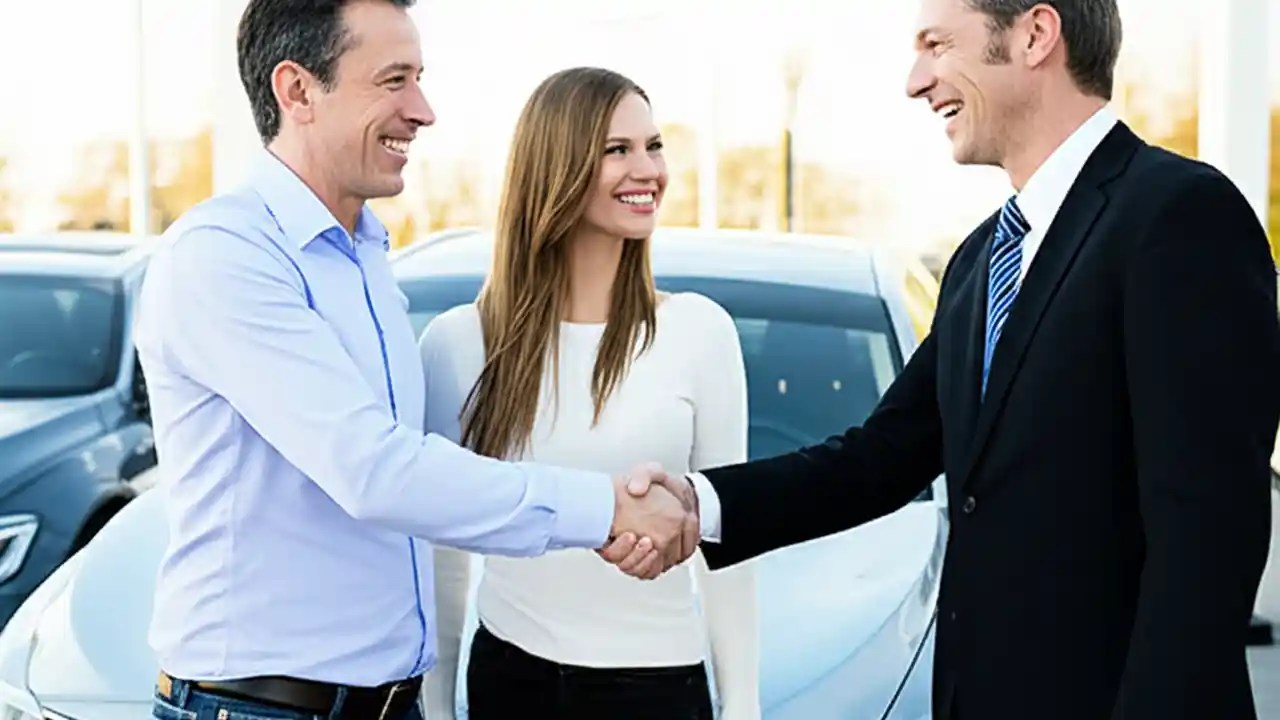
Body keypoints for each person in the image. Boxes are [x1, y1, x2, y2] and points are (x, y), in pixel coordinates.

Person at [607, 0, 1280, 718]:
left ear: (1034, 35)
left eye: (936, 45)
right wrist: (701, 503)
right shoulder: (982, 258)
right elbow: (882, 454)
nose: (915, 80)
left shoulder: (1180, 218)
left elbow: (1206, 542)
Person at [135, 3, 694, 720]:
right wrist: (608, 506)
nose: (423, 110)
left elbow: (424, 494)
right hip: (260, 709)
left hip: (385, 703)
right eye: (393, 81)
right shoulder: (226, 255)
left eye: (420, 79)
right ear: (297, 91)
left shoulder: (366, 256)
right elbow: (374, 471)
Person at [418, 67, 760, 720]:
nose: (649, 169)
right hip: (512, 683)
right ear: (558, 167)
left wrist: (743, 706)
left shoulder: (699, 332)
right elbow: (442, 561)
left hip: (657, 688)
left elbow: (727, 549)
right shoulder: (459, 345)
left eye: (654, 146)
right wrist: (435, 710)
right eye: (618, 150)